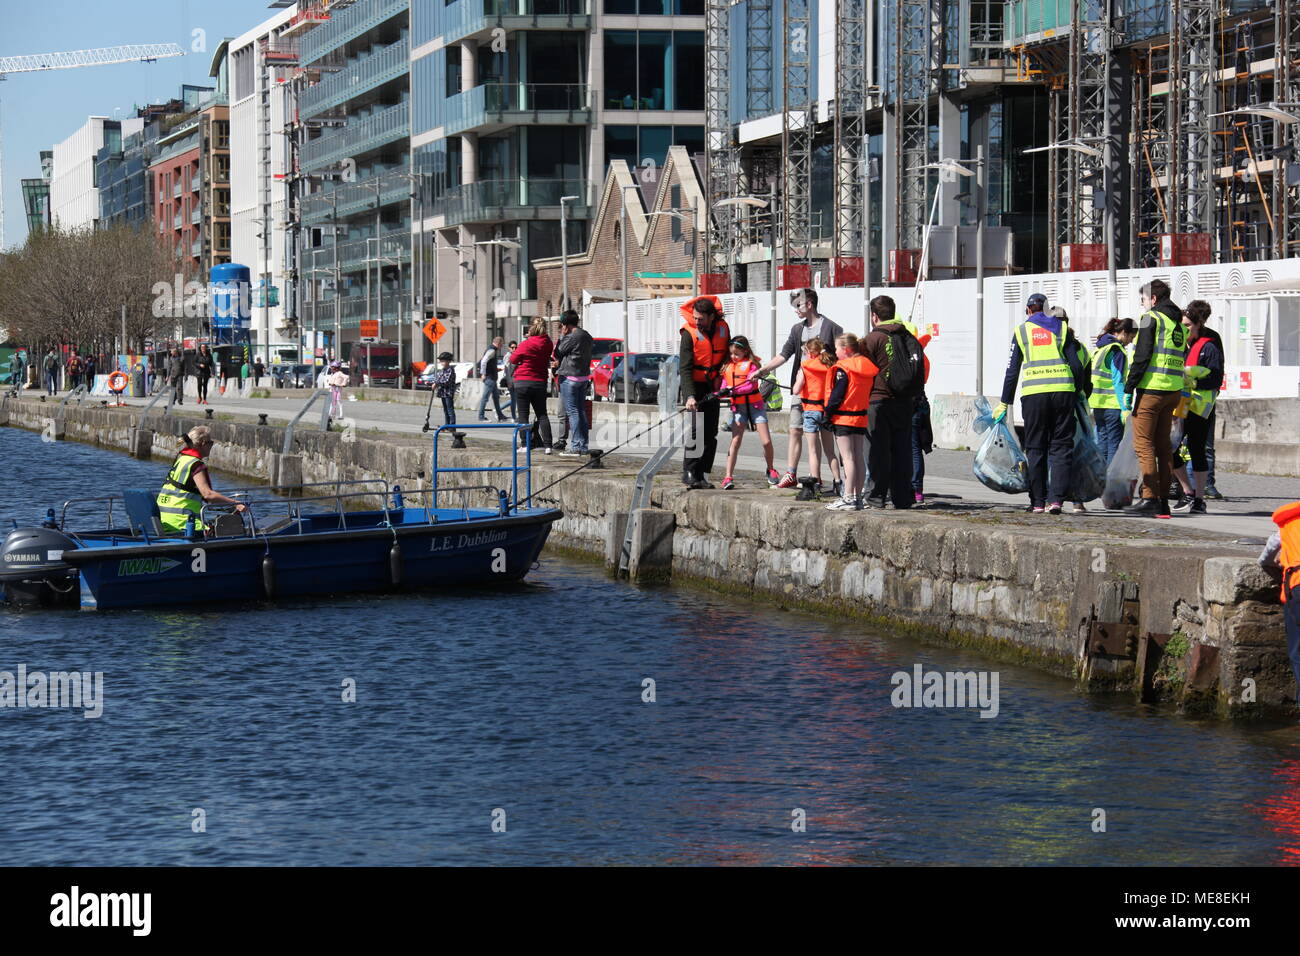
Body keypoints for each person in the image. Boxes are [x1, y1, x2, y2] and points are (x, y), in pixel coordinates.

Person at [994, 292, 1088, 515]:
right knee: (1061, 447)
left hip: (1034, 395)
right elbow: (1075, 365)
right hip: (1063, 392)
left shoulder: (1021, 331)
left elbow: (1012, 370)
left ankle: (1037, 502)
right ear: (1046, 310)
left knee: (1036, 448)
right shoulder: (1061, 329)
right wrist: (1078, 391)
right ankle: (1056, 501)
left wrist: (1004, 402)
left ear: (1028, 311)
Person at [751, 288, 845, 489]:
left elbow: (842, 360)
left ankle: (818, 478)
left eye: (798, 305)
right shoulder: (796, 330)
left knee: (823, 438)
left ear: (809, 304)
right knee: (795, 430)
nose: (795, 310)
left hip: (823, 395)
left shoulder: (832, 328)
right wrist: (763, 370)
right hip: (800, 391)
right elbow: (784, 355)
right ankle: (792, 474)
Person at [1123, 278, 1186, 518]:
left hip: (1151, 391)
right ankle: (1163, 502)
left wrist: (1129, 387)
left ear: (1154, 299)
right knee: (1163, 447)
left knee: (1143, 444)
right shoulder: (1178, 326)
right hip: (1173, 392)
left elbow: (1142, 356)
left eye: (1143, 300)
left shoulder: (1152, 319)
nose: (1142, 305)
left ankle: (1149, 497)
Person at [861, 295, 926, 510]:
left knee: (878, 451)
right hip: (905, 401)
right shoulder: (908, 336)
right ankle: (903, 497)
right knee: (902, 450)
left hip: (879, 401)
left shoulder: (873, 339)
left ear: (874, 316)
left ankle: (877, 496)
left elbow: (861, 370)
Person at [1170, 300, 1223, 515]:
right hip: (1179, 402)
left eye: (1188, 326)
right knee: (1169, 447)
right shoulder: (1179, 344)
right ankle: (1187, 491)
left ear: (1198, 324)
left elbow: (1216, 378)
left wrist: (1192, 381)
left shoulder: (1209, 345)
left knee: (1197, 449)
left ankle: (1199, 498)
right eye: (1182, 325)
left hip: (1200, 407)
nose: (1184, 329)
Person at [679, 295, 731, 489]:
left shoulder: (723, 328)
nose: (696, 321)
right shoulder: (688, 333)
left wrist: (724, 375)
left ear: (711, 317)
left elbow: (726, 354)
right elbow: (684, 368)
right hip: (695, 386)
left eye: (700, 319)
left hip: (712, 386)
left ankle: (703, 474)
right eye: (695, 318)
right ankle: (689, 472)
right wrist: (690, 396)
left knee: (711, 432)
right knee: (696, 431)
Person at [823, 333, 879, 511]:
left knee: (847, 458)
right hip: (860, 416)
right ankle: (857, 497)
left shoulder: (843, 368)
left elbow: (837, 394)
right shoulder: (867, 367)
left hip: (843, 417)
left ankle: (848, 497)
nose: (835, 351)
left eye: (837, 348)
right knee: (857, 457)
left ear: (846, 350)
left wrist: (827, 414)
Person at [156, 425, 246, 535]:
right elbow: (208, 495)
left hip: (164, 521)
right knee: (223, 531)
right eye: (211, 443)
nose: (211, 446)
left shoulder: (181, 459)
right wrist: (236, 503)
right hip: (183, 524)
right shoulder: (196, 464)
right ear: (203, 443)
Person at [718, 336, 778, 489]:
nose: (733, 357)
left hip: (755, 407)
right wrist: (722, 392)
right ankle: (728, 476)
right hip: (739, 409)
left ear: (745, 352)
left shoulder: (752, 367)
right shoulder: (727, 367)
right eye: (731, 354)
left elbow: (749, 387)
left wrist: (732, 390)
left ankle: (771, 469)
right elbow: (724, 387)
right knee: (735, 441)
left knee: (766, 441)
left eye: (736, 354)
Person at [791, 338, 843, 498]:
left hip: (811, 411)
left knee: (813, 451)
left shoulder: (805, 368)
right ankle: (838, 482)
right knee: (830, 452)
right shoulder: (829, 366)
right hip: (826, 412)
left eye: (805, 353)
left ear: (809, 353)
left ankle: (815, 484)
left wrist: (799, 380)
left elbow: (796, 389)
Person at [1259, 501, 1300, 706]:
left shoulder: (1289, 523)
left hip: (1298, 587)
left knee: (1297, 650)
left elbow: (1266, 556)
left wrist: (1271, 563)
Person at [1089, 318, 1137, 465]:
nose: (1130, 341)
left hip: (1097, 405)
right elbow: (1118, 382)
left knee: (1102, 444)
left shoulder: (1100, 349)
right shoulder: (1117, 351)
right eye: (1131, 337)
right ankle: (1110, 484)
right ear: (1123, 333)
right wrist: (1125, 408)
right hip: (1113, 405)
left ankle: (1101, 481)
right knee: (1113, 446)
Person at [508, 319, 555, 454]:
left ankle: (525, 444)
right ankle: (548, 446)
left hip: (523, 381)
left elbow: (513, 360)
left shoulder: (526, 344)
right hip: (540, 381)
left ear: (532, 330)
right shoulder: (548, 344)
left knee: (523, 415)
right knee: (542, 414)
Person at [554, 312, 594, 458]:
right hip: (583, 377)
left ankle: (576, 446)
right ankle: (583, 445)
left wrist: (562, 336)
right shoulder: (587, 335)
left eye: (562, 325)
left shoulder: (571, 337)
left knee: (572, 412)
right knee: (581, 411)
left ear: (566, 324)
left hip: (569, 377)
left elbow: (557, 353)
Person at [477, 336, 509, 422]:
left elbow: (487, 363)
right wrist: (483, 374)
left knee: (496, 397)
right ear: (498, 343)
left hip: (492, 378)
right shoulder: (492, 350)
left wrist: (496, 369)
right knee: (485, 397)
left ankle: (500, 415)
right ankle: (481, 416)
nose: (502, 346)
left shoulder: (492, 349)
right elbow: (483, 361)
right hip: (489, 378)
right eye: (502, 344)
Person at [433, 351, 458, 426]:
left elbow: (446, 381)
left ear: (449, 361)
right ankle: (446, 425)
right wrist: (434, 383)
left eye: (443, 361)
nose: (442, 363)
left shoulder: (450, 370)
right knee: (445, 410)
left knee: (450, 410)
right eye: (441, 361)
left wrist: (437, 384)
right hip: (443, 393)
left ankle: (452, 426)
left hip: (448, 393)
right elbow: (437, 378)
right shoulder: (442, 370)